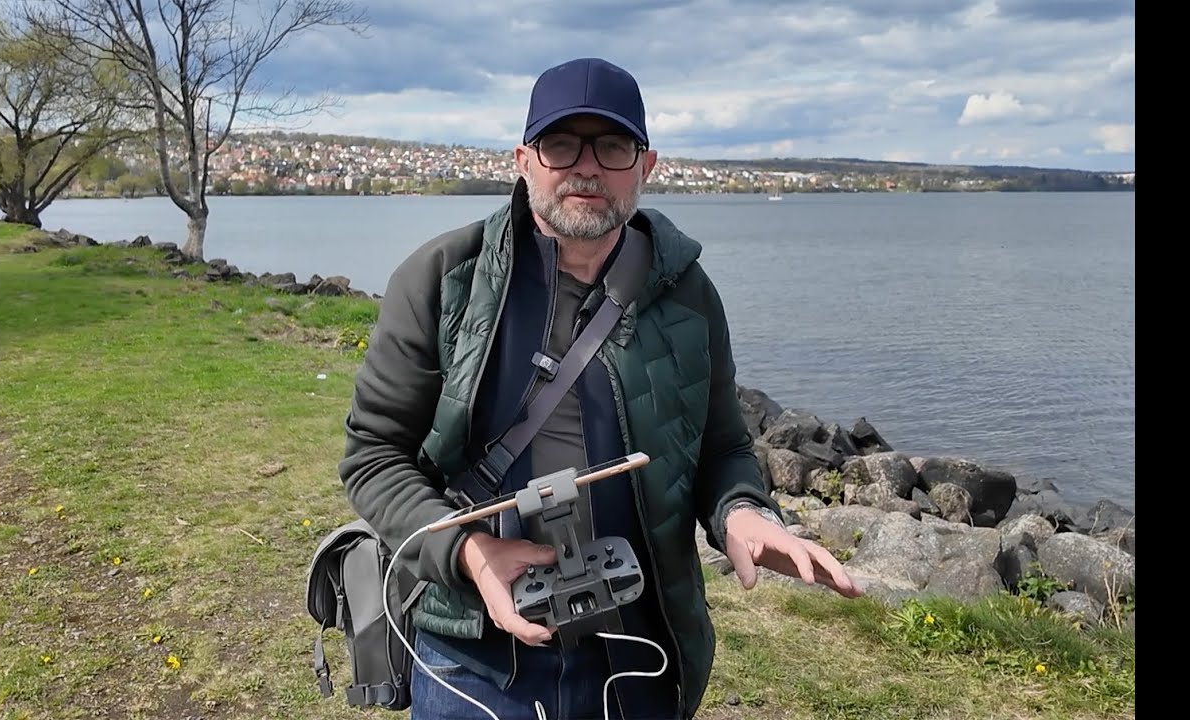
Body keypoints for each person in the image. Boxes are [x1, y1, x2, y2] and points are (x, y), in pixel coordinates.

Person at [338, 57, 862, 720]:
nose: (586, 168)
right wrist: (469, 553)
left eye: (612, 146)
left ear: (647, 166)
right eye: (560, 144)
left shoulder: (688, 294)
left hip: (638, 650)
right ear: (523, 160)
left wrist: (743, 513)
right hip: (473, 654)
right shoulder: (443, 280)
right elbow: (374, 456)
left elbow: (722, 447)